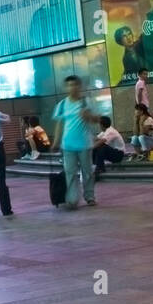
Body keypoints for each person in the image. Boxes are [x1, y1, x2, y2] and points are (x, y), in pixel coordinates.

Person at [52, 76, 101, 208]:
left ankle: (90, 196)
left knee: (87, 172)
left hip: (84, 144)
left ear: (79, 86)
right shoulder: (62, 105)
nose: (72, 87)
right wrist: (56, 142)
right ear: (66, 88)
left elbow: (97, 120)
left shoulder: (86, 102)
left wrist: (89, 116)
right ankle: (73, 199)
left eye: (75, 85)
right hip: (68, 145)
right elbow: (59, 124)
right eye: (69, 85)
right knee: (70, 172)